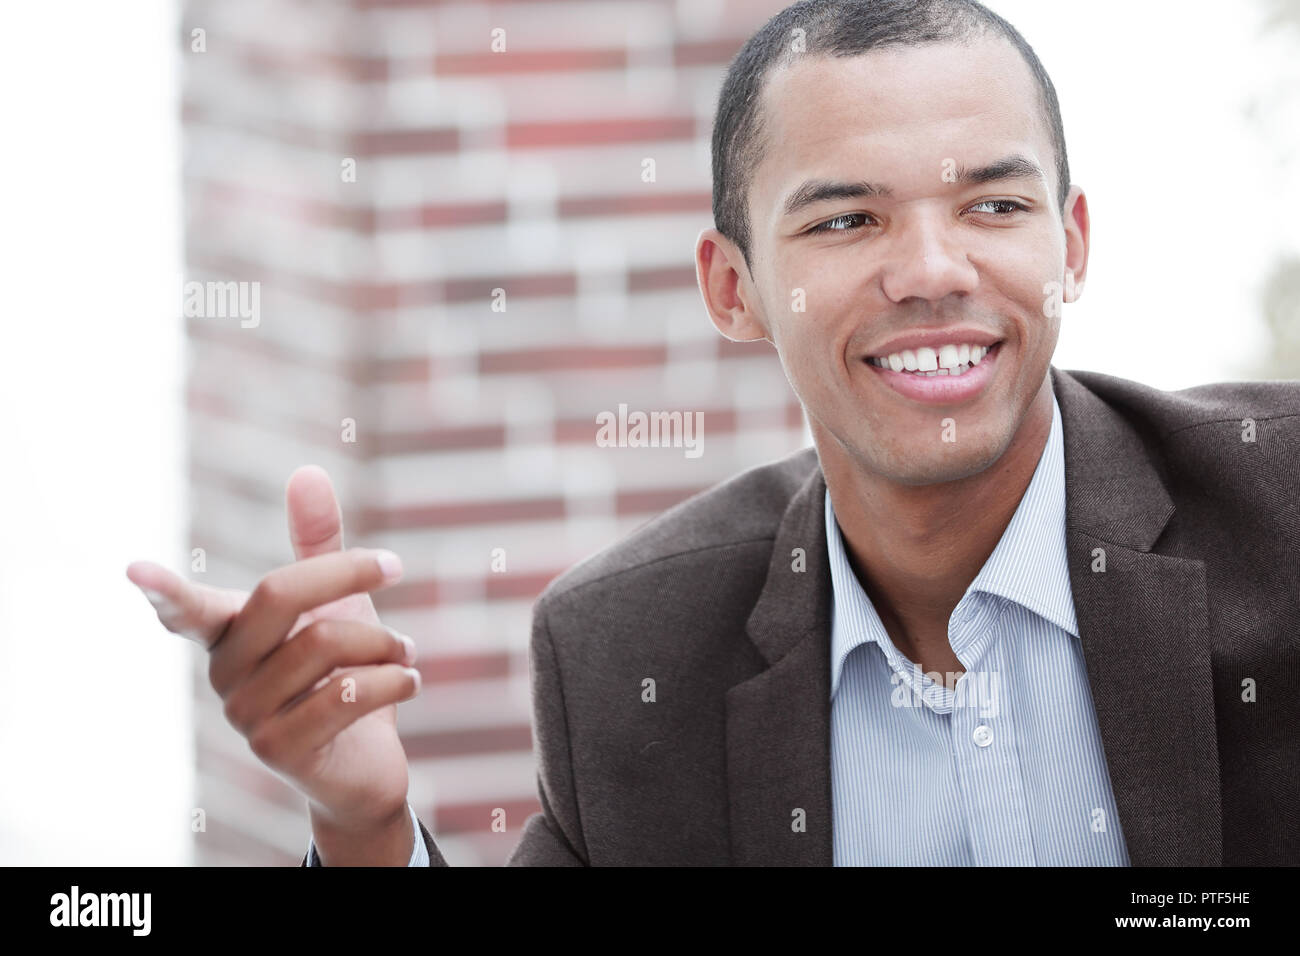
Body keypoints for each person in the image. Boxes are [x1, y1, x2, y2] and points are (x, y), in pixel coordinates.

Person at [128, 0, 1300, 866]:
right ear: (732, 289)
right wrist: (365, 822)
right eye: (847, 218)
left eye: (994, 205)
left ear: (1072, 243)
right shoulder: (629, 655)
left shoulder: (1281, 517)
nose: (934, 272)